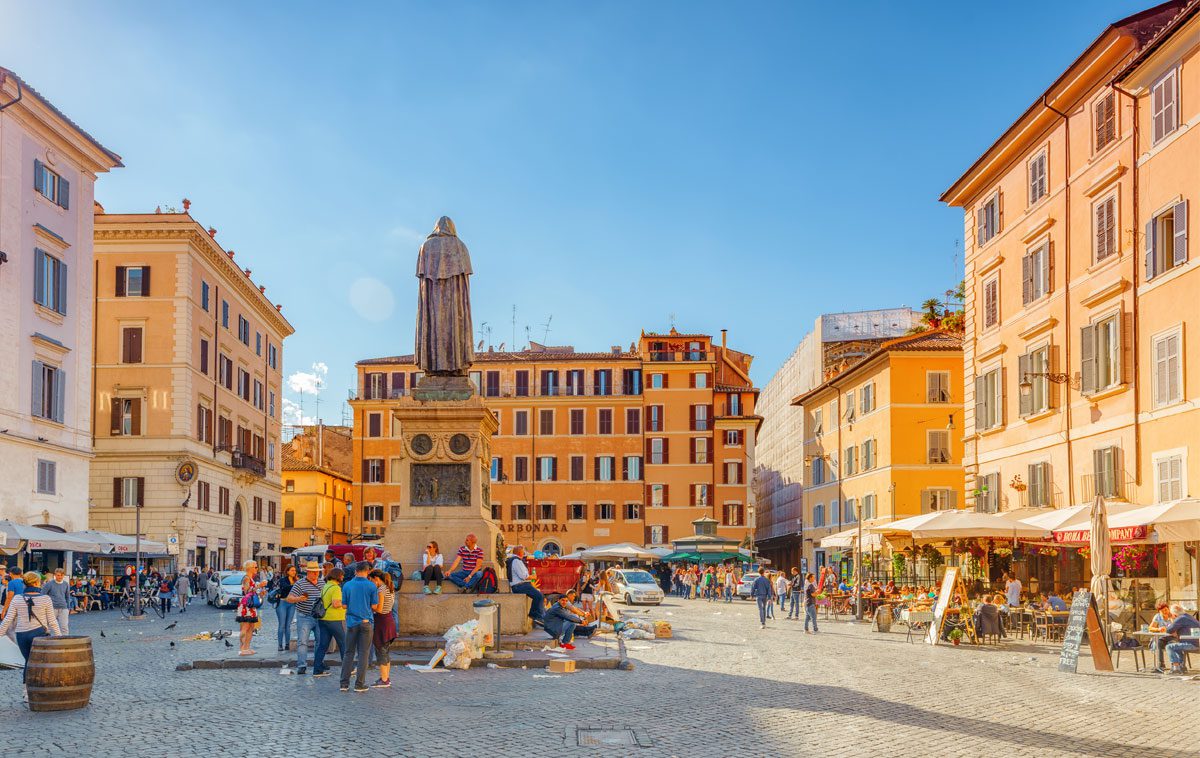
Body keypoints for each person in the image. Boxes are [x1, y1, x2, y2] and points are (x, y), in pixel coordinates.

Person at [0, 572, 62, 700]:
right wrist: (59, 637)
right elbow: (52, 621)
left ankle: (26, 692)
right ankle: (42, 688)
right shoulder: (45, 599)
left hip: (22, 635)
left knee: (28, 661)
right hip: (39, 633)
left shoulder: (17, 598)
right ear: (36, 583)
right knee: (41, 662)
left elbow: (8, 620)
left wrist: (0, 634)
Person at [339, 562, 381, 693]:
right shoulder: (371, 586)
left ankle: (344, 684)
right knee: (363, 654)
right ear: (367, 571)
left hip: (351, 622)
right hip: (366, 622)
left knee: (348, 653)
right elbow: (374, 606)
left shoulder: (347, 585)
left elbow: (344, 606)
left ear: (356, 571)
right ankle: (359, 684)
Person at [286, 561, 326, 674]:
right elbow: (289, 598)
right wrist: (299, 599)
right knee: (302, 642)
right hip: (304, 616)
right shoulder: (300, 584)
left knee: (320, 642)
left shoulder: (322, 583)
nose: (316, 574)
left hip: (319, 617)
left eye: (317, 572)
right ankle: (302, 665)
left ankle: (318, 664)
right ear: (308, 572)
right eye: (313, 572)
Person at [312, 568, 346, 678]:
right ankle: (348, 669)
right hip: (334, 619)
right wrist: (346, 603)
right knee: (343, 644)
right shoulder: (336, 588)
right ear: (338, 576)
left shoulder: (325, 586)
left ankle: (317, 670)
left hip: (323, 619)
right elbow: (336, 604)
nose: (343, 577)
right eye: (342, 575)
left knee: (323, 645)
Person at [368, 569, 396, 688]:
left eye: (371, 580)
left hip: (382, 622)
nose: (371, 583)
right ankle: (386, 677)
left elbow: (379, 609)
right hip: (388, 621)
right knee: (385, 651)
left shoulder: (381, 590)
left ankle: (384, 680)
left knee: (381, 652)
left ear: (376, 579)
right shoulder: (389, 588)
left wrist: (370, 606)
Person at [507, 546, 545, 626]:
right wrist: (533, 576)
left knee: (538, 594)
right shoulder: (517, 561)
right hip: (519, 586)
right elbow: (523, 576)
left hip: (519, 585)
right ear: (520, 552)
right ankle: (536, 615)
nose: (524, 553)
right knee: (539, 596)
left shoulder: (513, 560)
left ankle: (539, 616)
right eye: (523, 552)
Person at [236, 561, 265, 656]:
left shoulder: (251, 579)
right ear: (250, 568)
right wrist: (259, 586)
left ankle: (247, 647)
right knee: (245, 627)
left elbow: (252, 593)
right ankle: (242, 648)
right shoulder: (246, 578)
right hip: (246, 605)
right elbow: (246, 591)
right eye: (255, 567)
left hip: (251, 605)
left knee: (251, 627)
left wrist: (260, 593)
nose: (257, 569)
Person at [1163, 605, 1199, 674]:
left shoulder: (1181, 618)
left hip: (1191, 644)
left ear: (1174, 614)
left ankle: (1176, 668)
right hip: (1197, 642)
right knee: (1177, 646)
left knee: (1169, 647)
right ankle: (1182, 667)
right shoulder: (1188, 616)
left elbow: (1169, 630)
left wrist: (1172, 620)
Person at [274, 564, 298, 652]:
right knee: (282, 625)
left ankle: (287, 644)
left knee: (288, 625)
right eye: (292, 570)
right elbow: (285, 588)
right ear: (287, 571)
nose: (294, 572)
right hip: (282, 603)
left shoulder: (296, 580)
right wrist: (296, 585)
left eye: (295, 570)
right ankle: (280, 645)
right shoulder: (283, 580)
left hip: (292, 604)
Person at [43, 567, 71, 634]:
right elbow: (43, 594)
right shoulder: (49, 584)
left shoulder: (66, 584)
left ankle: (64, 642)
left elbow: (67, 596)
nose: (60, 577)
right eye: (58, 575)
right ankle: (47, 641)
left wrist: (68, 607)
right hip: (52, 608)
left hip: (63, 608)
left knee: (64, 627)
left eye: (61, 575)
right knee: (48, 626)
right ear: (55, 575)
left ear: (63, 575)